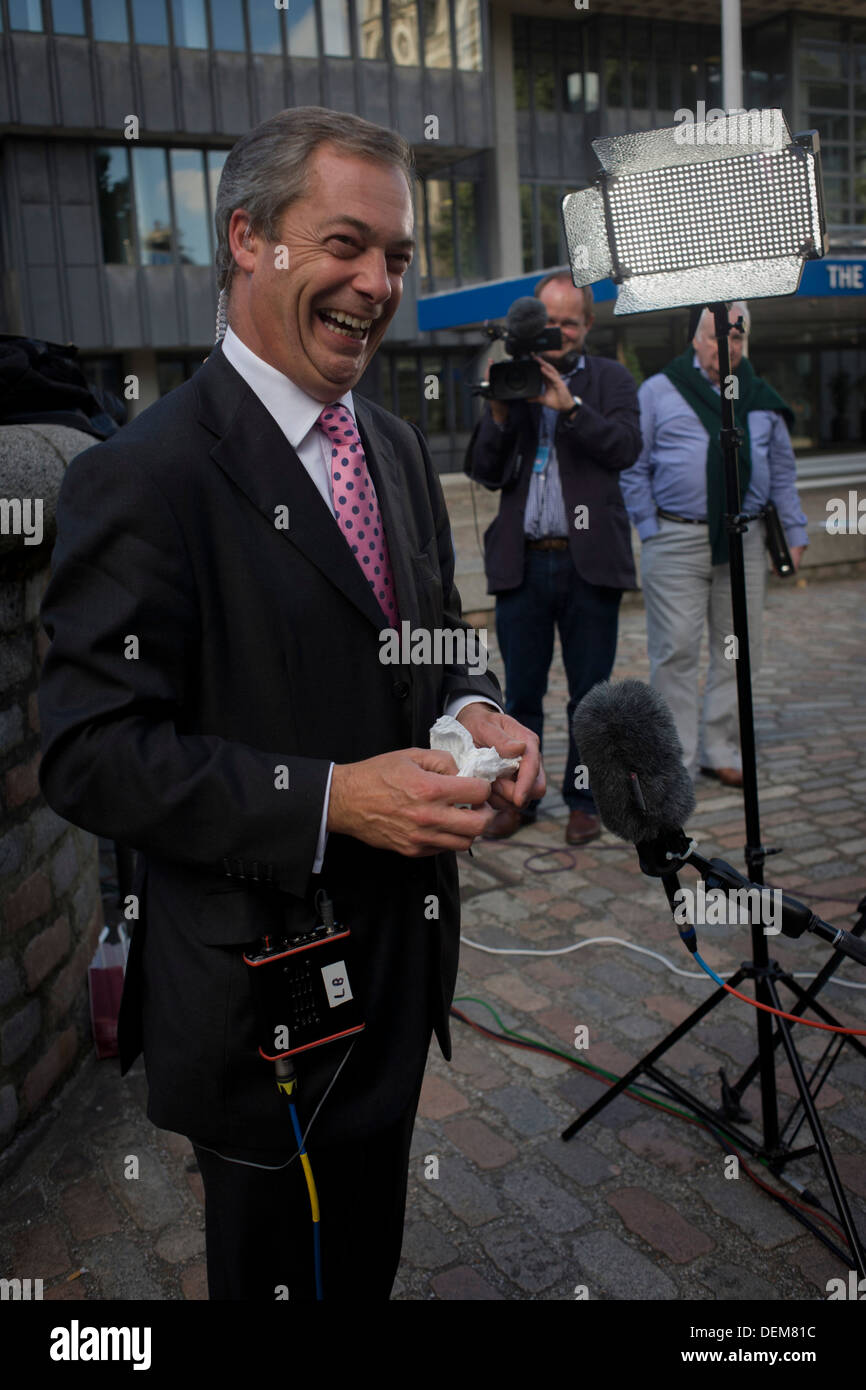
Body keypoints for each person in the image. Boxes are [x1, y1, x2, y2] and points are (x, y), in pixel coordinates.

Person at [38, 106, 543, 1302]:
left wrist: (474, 712)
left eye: (400, 258)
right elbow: (91, 752)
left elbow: (434, 640)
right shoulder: (141, 477)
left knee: (359, 1263)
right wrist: (331, 801)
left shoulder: (398, 448)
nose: (378, 284)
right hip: (257, 996)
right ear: (248, 239)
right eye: (345, 245)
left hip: (402, 969)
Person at [465, 270, 640, 845]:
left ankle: (584, 800)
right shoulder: (512, 380)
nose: (558, 332)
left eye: (569, 321)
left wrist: (569, 409)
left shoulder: (611, 379)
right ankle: (520, 796)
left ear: (588, 325)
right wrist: (498, 411)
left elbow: (625, 448)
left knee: (591, 695)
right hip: (523, 561)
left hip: (589, 563)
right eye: (548, 322)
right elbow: (485, 473)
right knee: (520, 695)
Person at [619, 303, 808, 787]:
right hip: (677, 537)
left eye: (738, 338)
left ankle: (720, 748)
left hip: (744, 537)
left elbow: (783, 471)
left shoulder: (759, 397)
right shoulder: (660, 391)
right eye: (718, 335)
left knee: (739, 649)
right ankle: (674, 760)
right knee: (676, 651)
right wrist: (650, 529)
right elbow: (634, 466)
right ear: (696, 339)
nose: (728, 346)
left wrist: (794, 531)